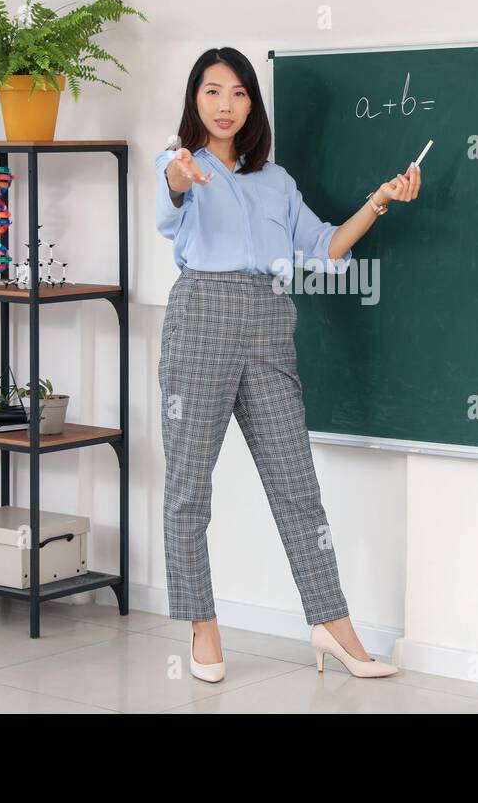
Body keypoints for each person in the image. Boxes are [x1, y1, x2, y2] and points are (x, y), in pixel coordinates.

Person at [155, 46, 420, 682]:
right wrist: (181, 177)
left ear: (253, 104)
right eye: (214, 91)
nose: (226, 105)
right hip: (201, 320)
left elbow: (325, 246)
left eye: (240, 93)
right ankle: (203, 626)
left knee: (298, 488)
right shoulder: (178, 162)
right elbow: (171, 197)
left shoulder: (276, 181)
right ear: (195, 99)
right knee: (190, 485)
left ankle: (331, 624)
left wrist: (379, 201)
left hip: (270, 321)